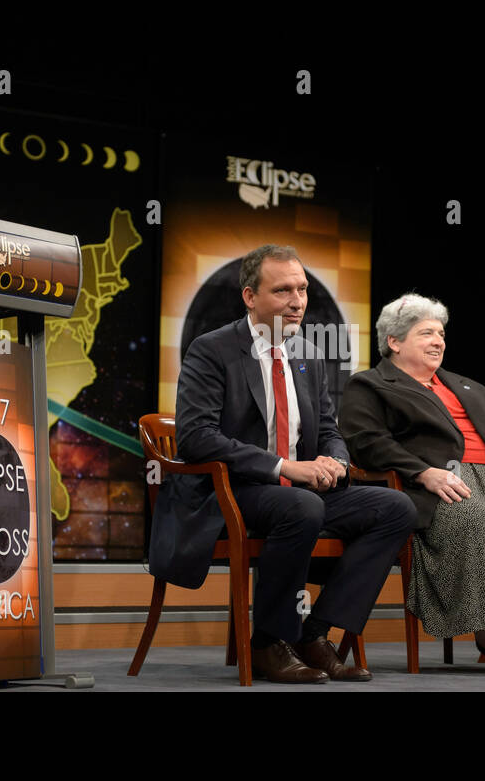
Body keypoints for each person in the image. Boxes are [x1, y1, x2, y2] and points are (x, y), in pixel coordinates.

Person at [150, 245, 416, 683]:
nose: (297, 300)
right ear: (250, 297)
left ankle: (313, 633)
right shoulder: (212, 349)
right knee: (303, 507)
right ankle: (268, 643)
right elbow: (197, 438)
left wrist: (336, 459)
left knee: (395, 509)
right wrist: (283, 467)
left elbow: (329, 427)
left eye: (302, 289)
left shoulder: (308, 353)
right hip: (231, 492)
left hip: (297, 494)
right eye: (283, 290)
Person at [338, 293, 485, 676]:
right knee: (476, 520)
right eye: (426, 333)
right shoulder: (370, 385)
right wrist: (421, 471)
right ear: (394, 342)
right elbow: (366, 441)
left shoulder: (467, 386)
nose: (439, 341)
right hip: (437, 482)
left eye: (442, 334)